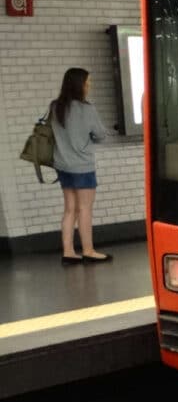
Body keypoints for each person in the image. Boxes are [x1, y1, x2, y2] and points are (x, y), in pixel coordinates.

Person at [49, 67, 112, 265]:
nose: (89, 86)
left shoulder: (55, 107)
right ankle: (88, 250)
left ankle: (68, 252)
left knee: (70, 209)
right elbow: (100, 135)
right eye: (87, 83)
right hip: (82, 166)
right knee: (85, 209)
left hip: (62, 165)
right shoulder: (87, 109)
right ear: (79, 85)